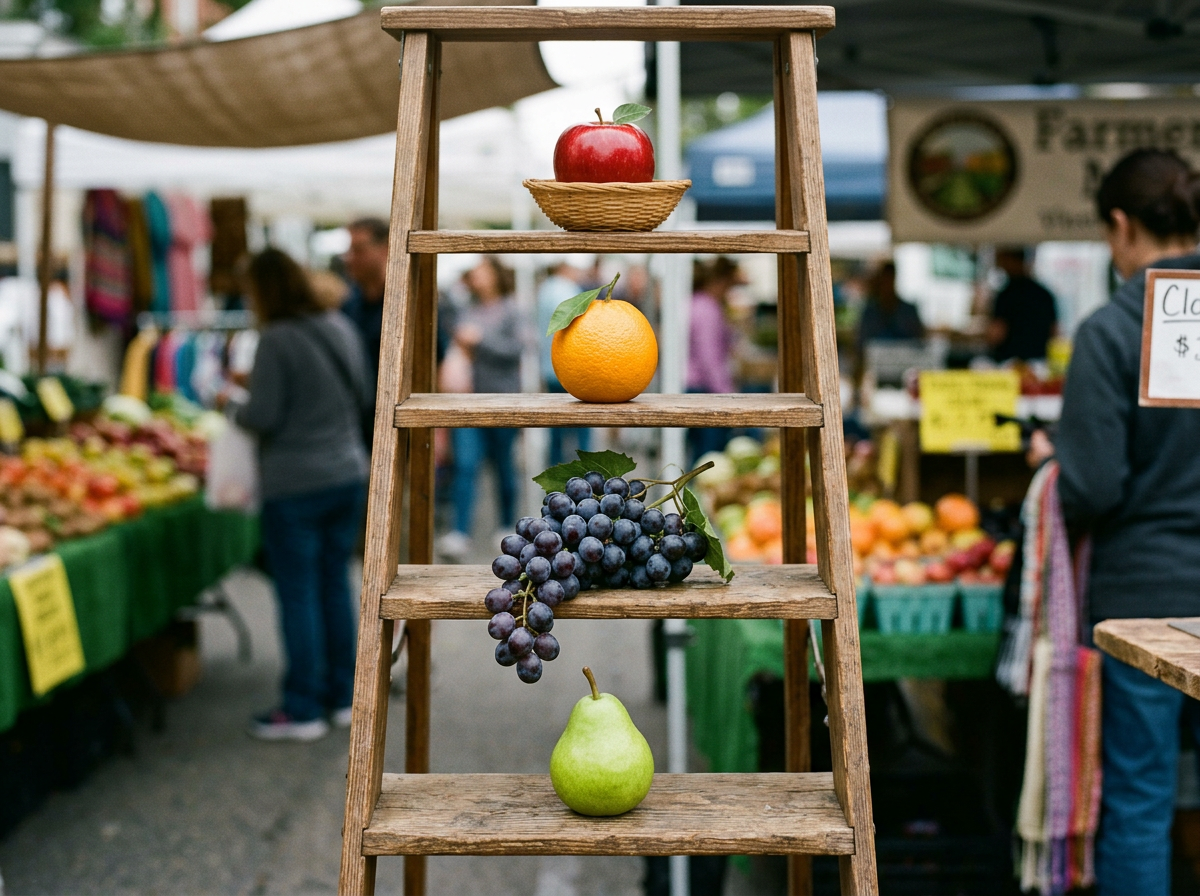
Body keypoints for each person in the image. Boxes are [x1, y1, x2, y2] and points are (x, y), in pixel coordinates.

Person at [1036, 148, 1200, 895]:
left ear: (1122, 226)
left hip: (1143, 602)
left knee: (1139, 800)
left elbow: (1095, 486)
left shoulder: (1111, 330)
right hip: (1156, 592)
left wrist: (1054, 461)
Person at [227, 248, 371, 741]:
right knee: (334, 583)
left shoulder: (276, 340)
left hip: (296, 483)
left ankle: (303, 705)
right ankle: (342, 697)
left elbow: (262, 416)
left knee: (299, 592)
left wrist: (229, 403)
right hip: (347, 471)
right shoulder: (338, 326)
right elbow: (364, 392)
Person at [438, 256, 525, 561]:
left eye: (481, 273)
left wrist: (481, 340)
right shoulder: (467, 309)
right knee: (465, 465)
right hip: (469, 399)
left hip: (503, 400)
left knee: (504, 467)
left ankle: (505, 524)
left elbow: (516, 349)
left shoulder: (512, 310)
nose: (476, 278)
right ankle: (460, 531)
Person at [686, 256, 743, 461]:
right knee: (707, 455)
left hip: (691, 386)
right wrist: (728, 394)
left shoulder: (694, 303)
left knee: (696, 451)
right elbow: (709, 357)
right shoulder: (708, 309)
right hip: (702, 388)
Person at [537, 256, 592, 465]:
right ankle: (585, 470)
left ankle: (555, 471)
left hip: (550, 366)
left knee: (557, 429)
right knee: (582, 428)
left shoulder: (545, 289)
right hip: (572, 368)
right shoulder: (567, 291)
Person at [340, 217, 389, 443]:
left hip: (395, 423)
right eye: (349, 250)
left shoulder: (410, 303)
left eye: (358, 250)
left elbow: (435, 364)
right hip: (354, 426)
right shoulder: (347, 304)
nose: (350, 258)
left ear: (386, 248)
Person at [987, 247, 1059, 361]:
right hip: (1040, 362)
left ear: (1009, 259)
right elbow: (1055, 332)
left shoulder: (1006, 294)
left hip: (1010, 364)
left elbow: (997, 334)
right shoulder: (1044, 293)